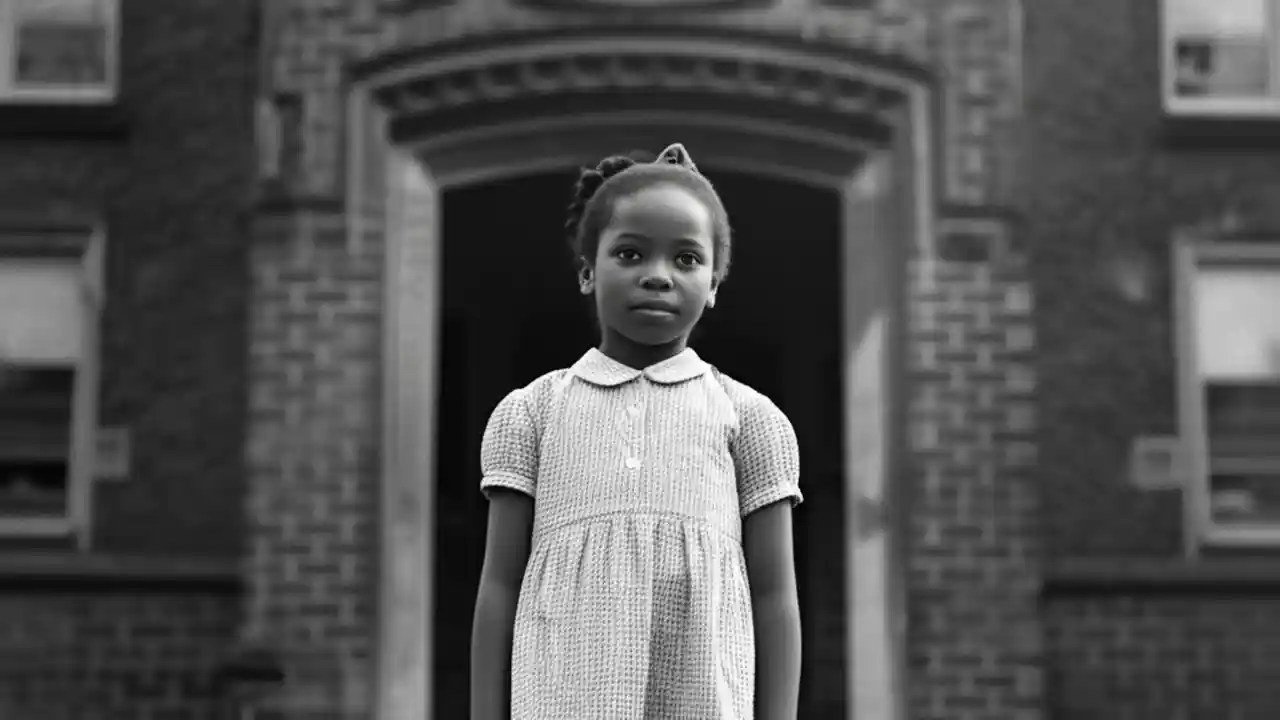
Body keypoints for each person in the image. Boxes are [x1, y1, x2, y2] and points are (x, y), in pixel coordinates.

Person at [470, 143, 802, 720]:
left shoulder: (751, 420)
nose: (657, 277)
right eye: (629, 253)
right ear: (586, 272)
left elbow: (775, 598)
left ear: (715, 284)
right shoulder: (532, 413)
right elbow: (499, 586)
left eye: (686, 260)